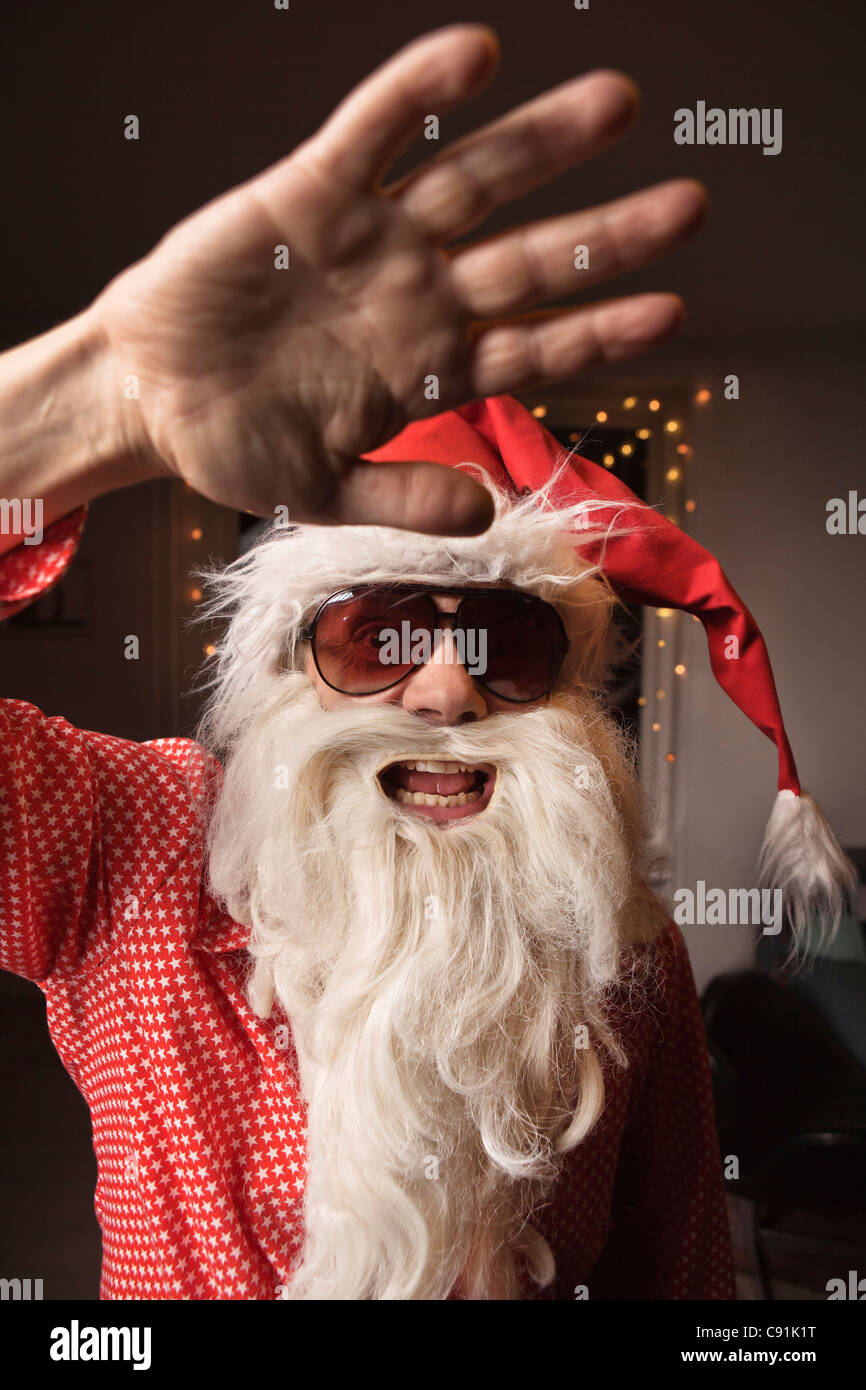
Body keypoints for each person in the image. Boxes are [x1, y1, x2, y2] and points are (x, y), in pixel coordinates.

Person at [2, 24, 848, 1301]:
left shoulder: (621, 941)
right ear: (286, 661)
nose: (445, 693)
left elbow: (675, 1271)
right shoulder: (132, 837)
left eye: (507, 646)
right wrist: (89, 406)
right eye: (373, 633)